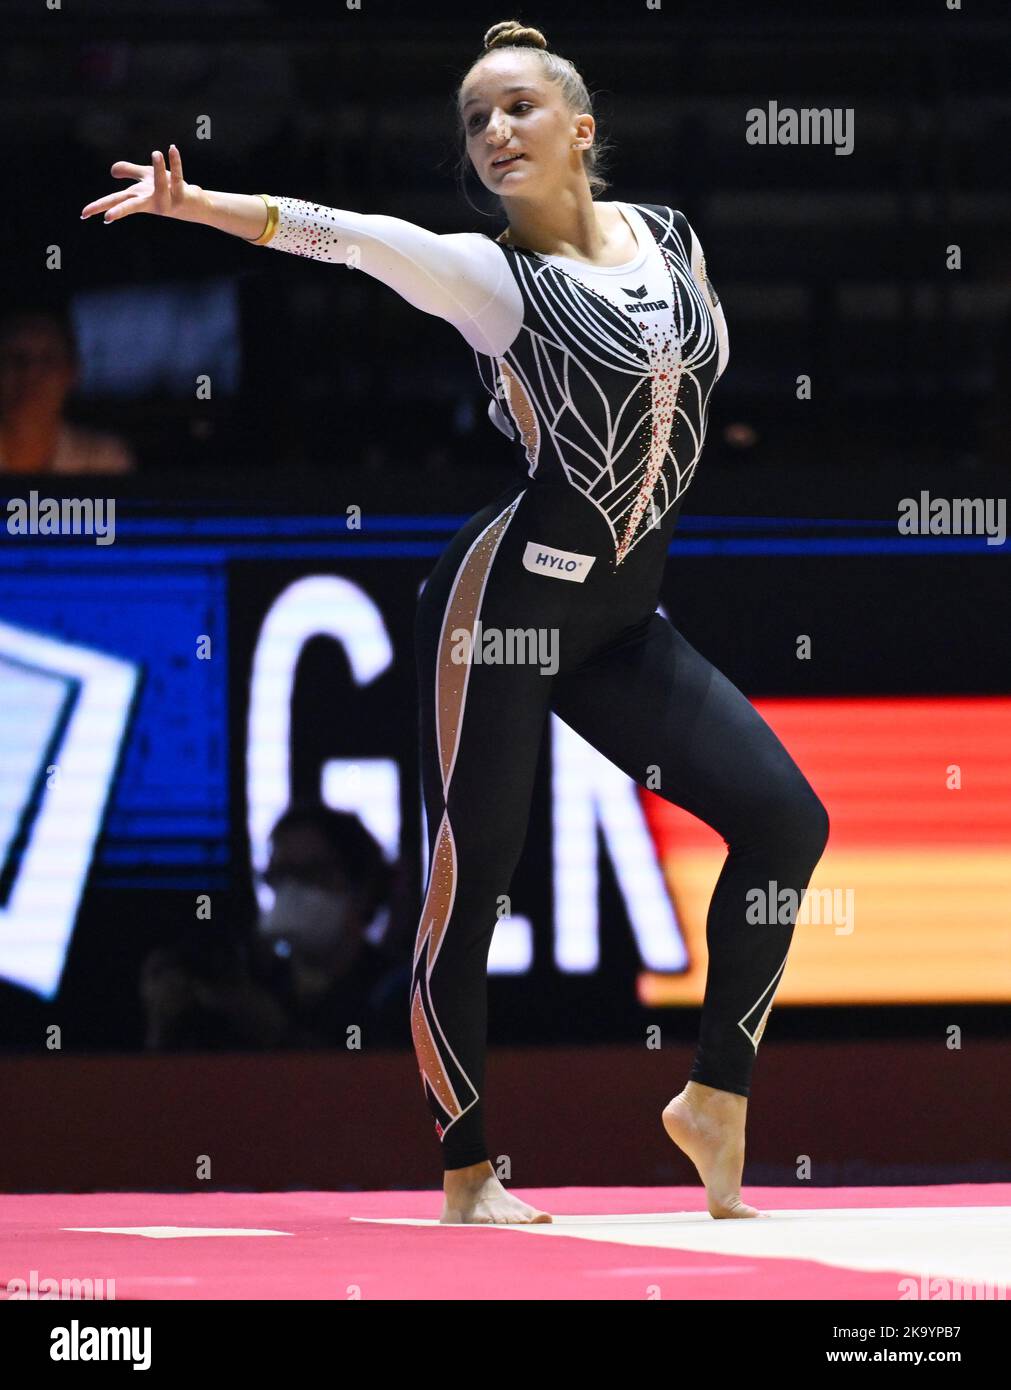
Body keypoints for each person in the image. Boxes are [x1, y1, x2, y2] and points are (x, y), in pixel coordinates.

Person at [82, 16, 829, 1225]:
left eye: (519, 109)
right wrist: (201, 205)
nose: (493, 133)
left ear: (581, 130)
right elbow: (346, 240)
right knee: (469, 880)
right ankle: (469, 1166)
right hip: (502, 606)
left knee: (788, 822)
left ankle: (716, 1097)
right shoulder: (491, 279)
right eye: (475, 120)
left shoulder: (673, 243)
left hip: (624, 618)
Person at [139, 804, 409, 1051]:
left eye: (312, 872)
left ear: (362, 887)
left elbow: (368, 1086)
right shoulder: (249, 980)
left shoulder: (401, 994)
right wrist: (165, 1025)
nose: (292, 888)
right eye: (280, 874)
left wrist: (276, 1033)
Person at [0, 309, 135, 474]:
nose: (30, 374)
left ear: (72, 373)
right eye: (16, 358)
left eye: (48, 360)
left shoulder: (103, 460)